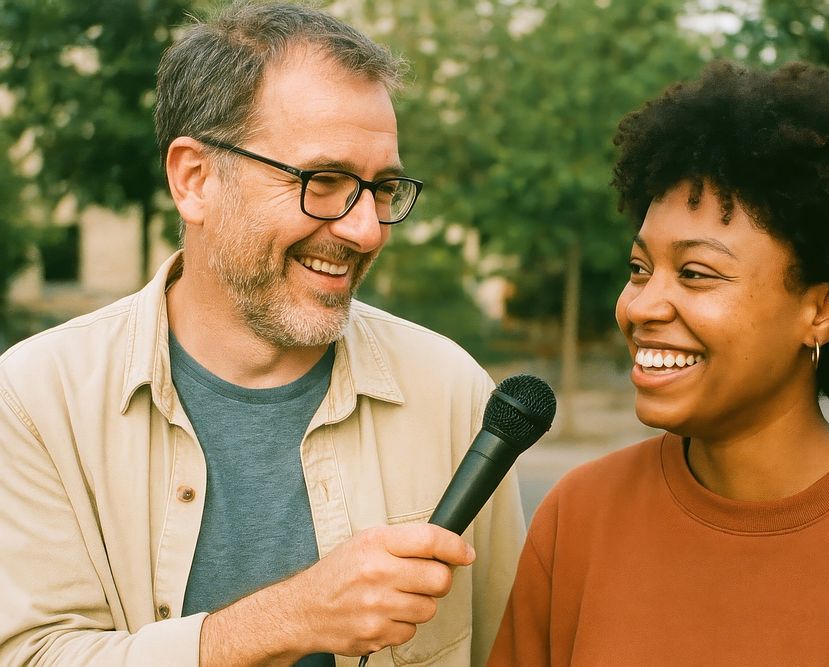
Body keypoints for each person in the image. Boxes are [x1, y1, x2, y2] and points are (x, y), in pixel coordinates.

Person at [0, 3, 525, 666]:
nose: (366, 228)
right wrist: (294, 616)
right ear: (195, 180)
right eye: (324, 181)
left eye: (384, 188)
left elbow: (511, 648)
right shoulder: (34, 398)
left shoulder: (453, 392)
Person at [488, 60, 829, 665]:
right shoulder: (578, 517)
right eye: (639, 269)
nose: (642, 305)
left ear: (822, 312)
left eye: (696, 273)